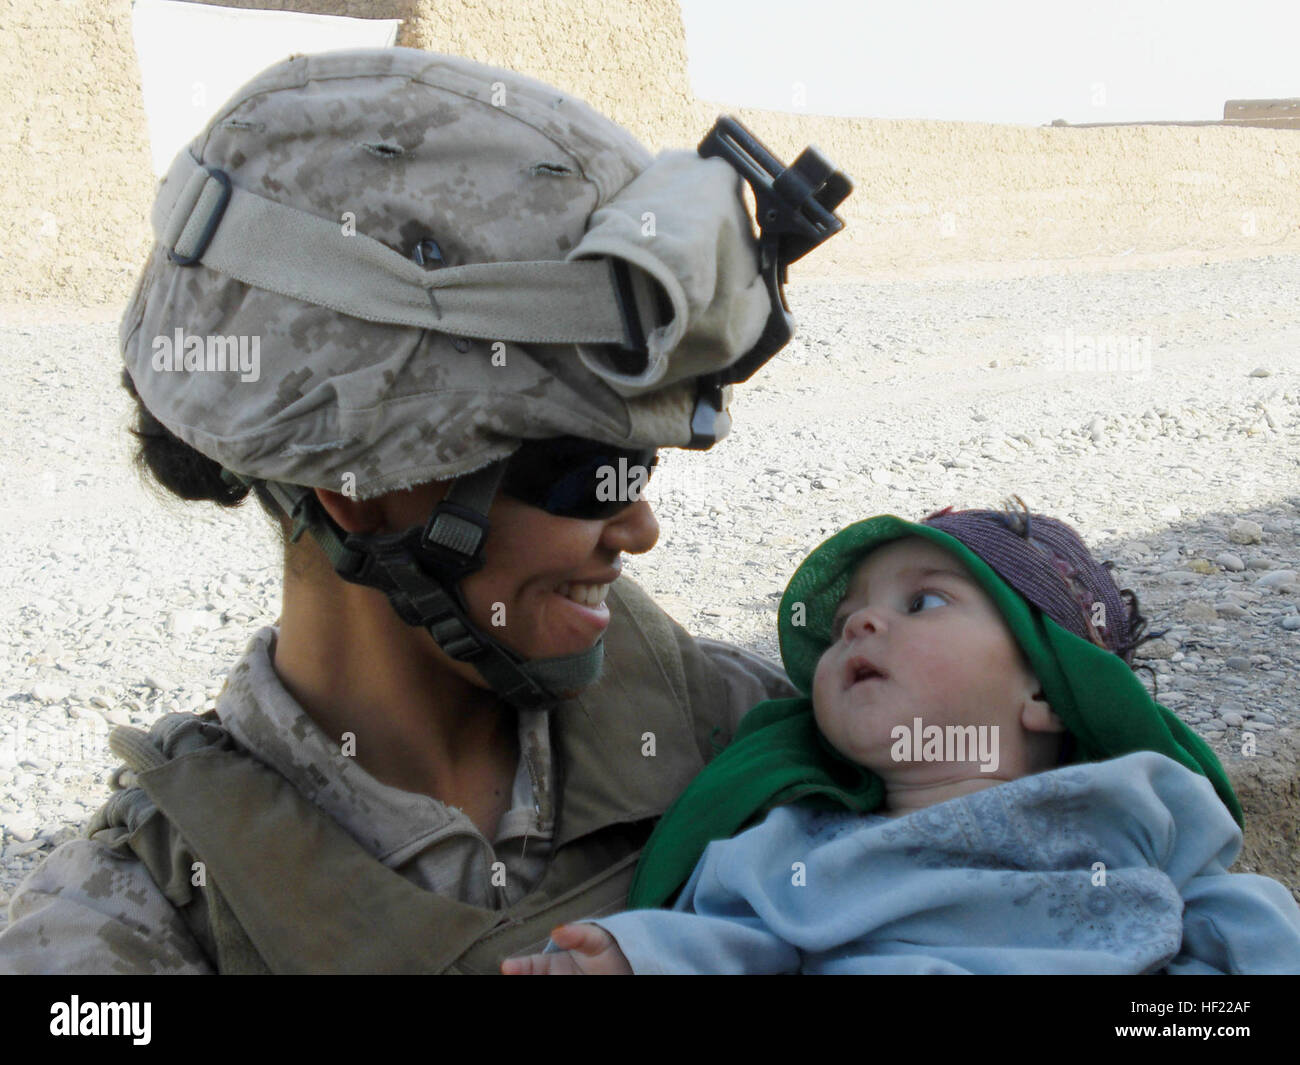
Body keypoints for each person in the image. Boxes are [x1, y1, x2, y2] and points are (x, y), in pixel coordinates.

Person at [0, 48, 850, 973]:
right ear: (363, 492)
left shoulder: (738, 724)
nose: (639, 527)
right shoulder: (132, 920)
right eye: (583, 472)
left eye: (642, 463)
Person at [504, 502, 1300, 974]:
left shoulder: (1135, 804)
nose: (859, 620)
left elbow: (1239, 915)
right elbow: (728, 942)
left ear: (1047, 689)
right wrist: (631, 953)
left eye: (923, 603)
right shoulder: (796, 849)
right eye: (850, 610)